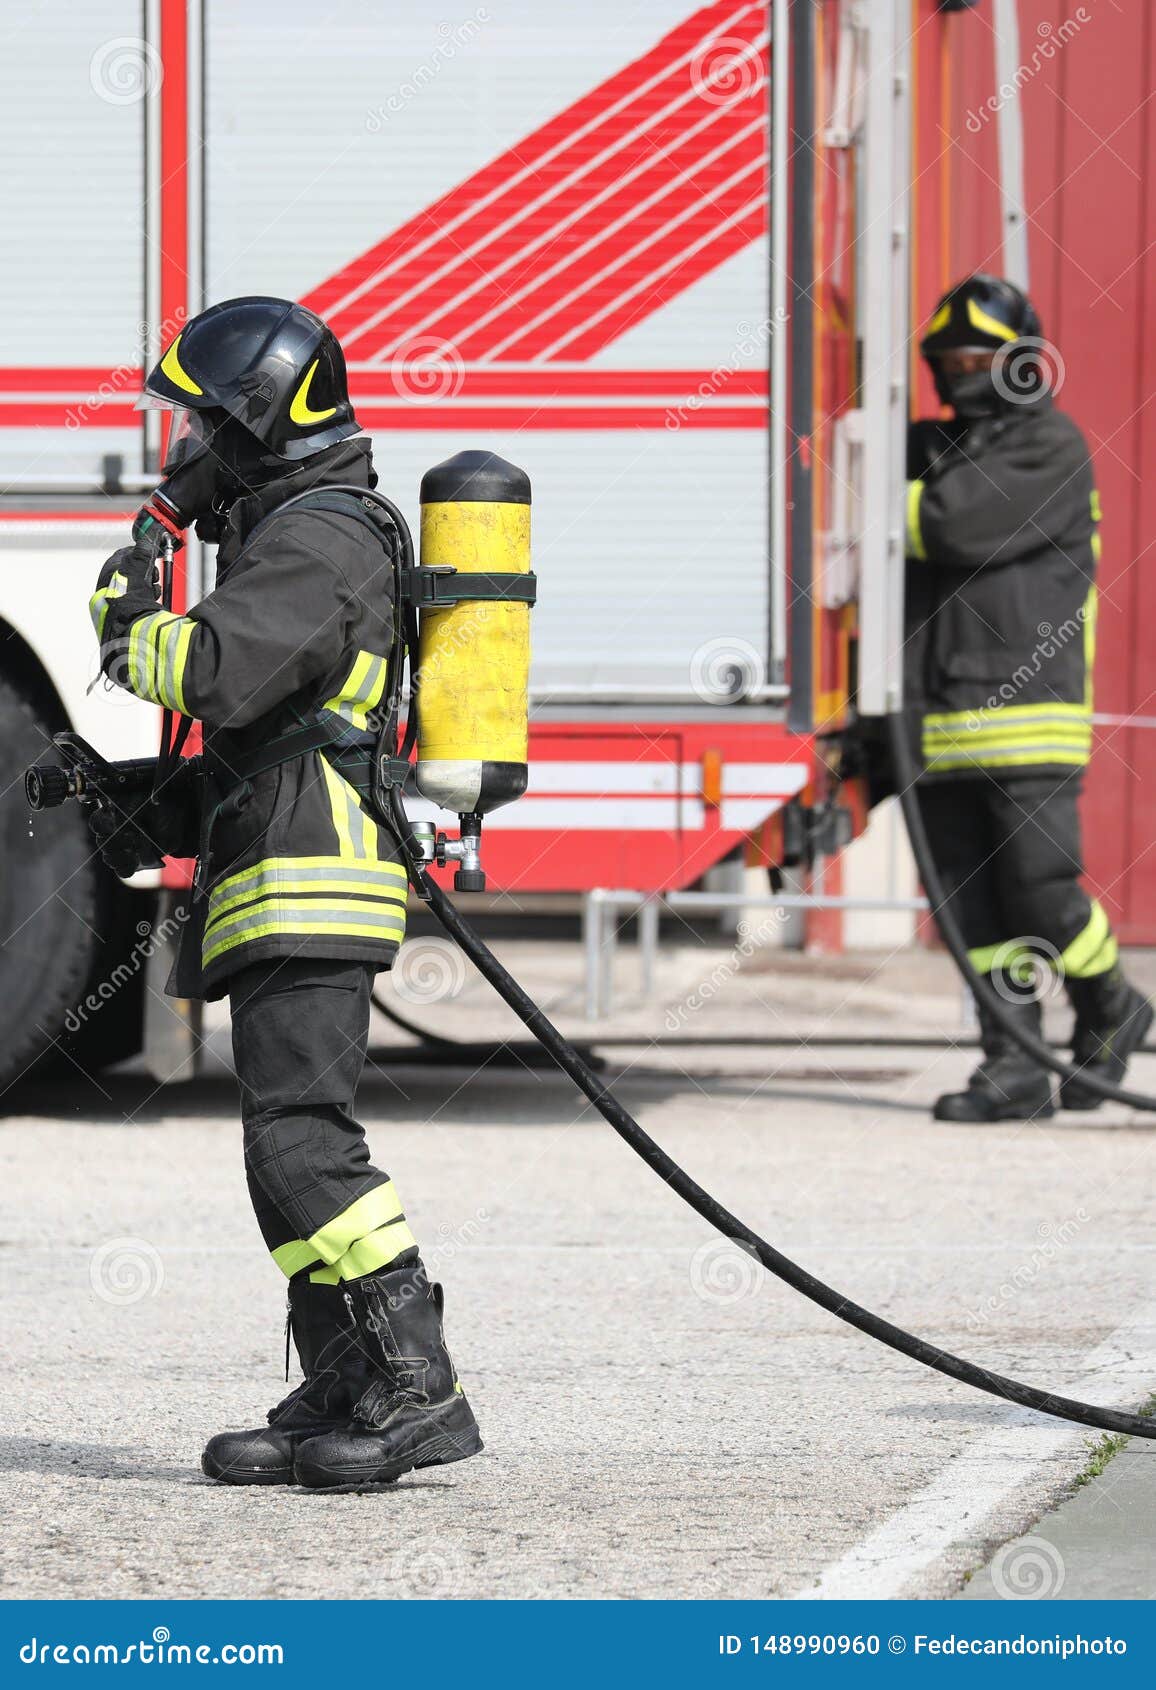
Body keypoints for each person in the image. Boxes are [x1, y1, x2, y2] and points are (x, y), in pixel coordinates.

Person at [88, 296, 482, 1487]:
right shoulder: (296, 531)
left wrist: (125, 618)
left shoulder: (321, 537)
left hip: (318, 877)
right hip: (282, 865)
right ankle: (345, 1378)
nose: (188, 450)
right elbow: (263, 727)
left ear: (255, 419)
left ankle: (422, 1387)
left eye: (205, 423)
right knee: (279, 1151)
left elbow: (211, 668)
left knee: (307, 1142)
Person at [905, 273, 1152, 1122]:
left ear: (1019, 363)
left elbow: (947, 525)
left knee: (1042, 892)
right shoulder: (939, 450)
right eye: (947, 358)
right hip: (936, 722)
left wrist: (872, 499)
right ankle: (1013, 1064)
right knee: (975, 910)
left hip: (1027, 715)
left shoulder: (1047, 446)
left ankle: (1112, 1004)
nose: (959, 371)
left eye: (976, 356)